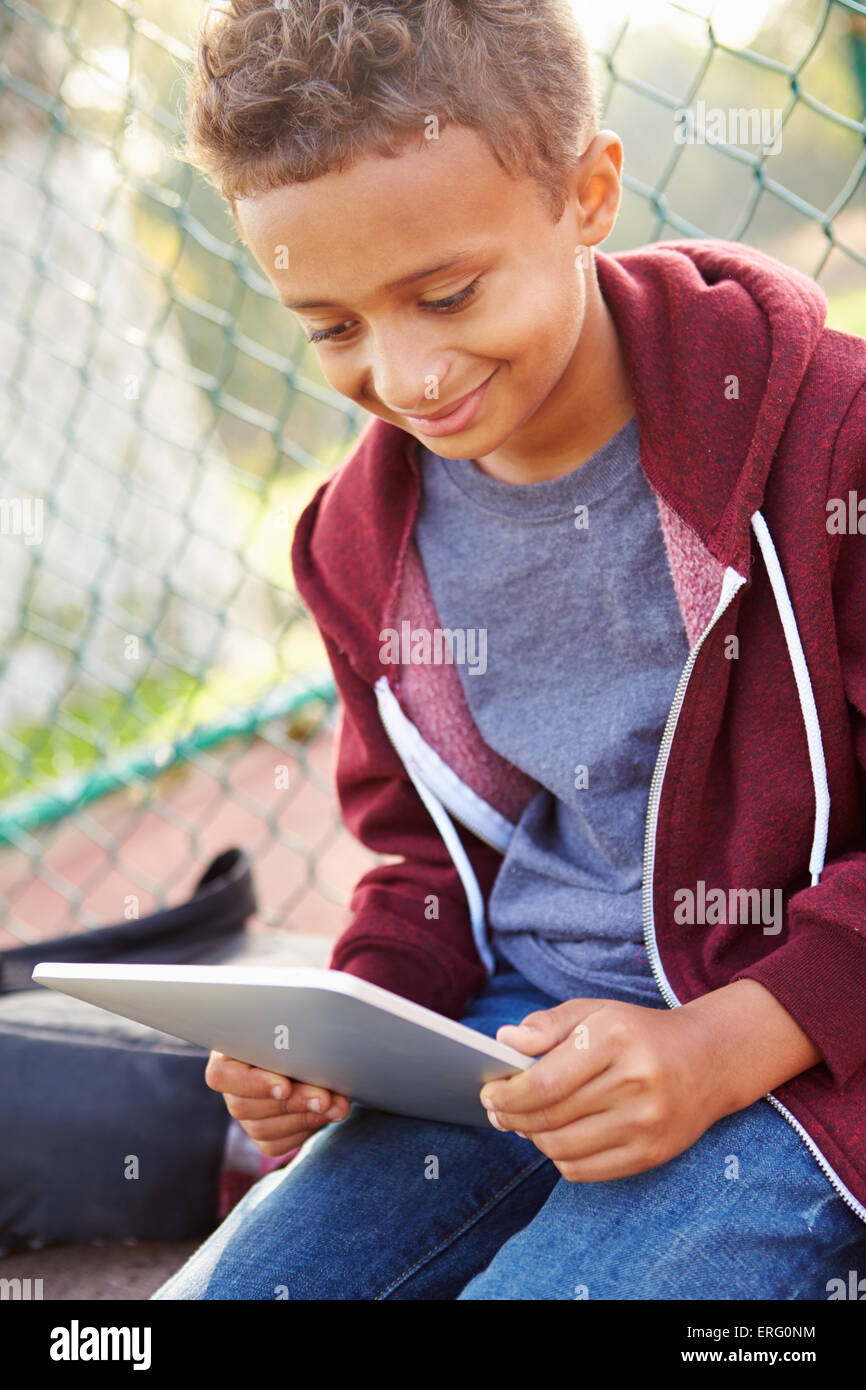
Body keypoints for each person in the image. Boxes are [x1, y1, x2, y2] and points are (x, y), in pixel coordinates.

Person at [152, 0, 866, 1299]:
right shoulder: (355, 544)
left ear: (587, 192)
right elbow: (427, 859)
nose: (409, 374)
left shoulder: (832, 439)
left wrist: (721, 1041)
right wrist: (337, 1026)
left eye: (444, 293)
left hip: (803, 1051)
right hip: (512, 1040)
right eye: (332, 326)